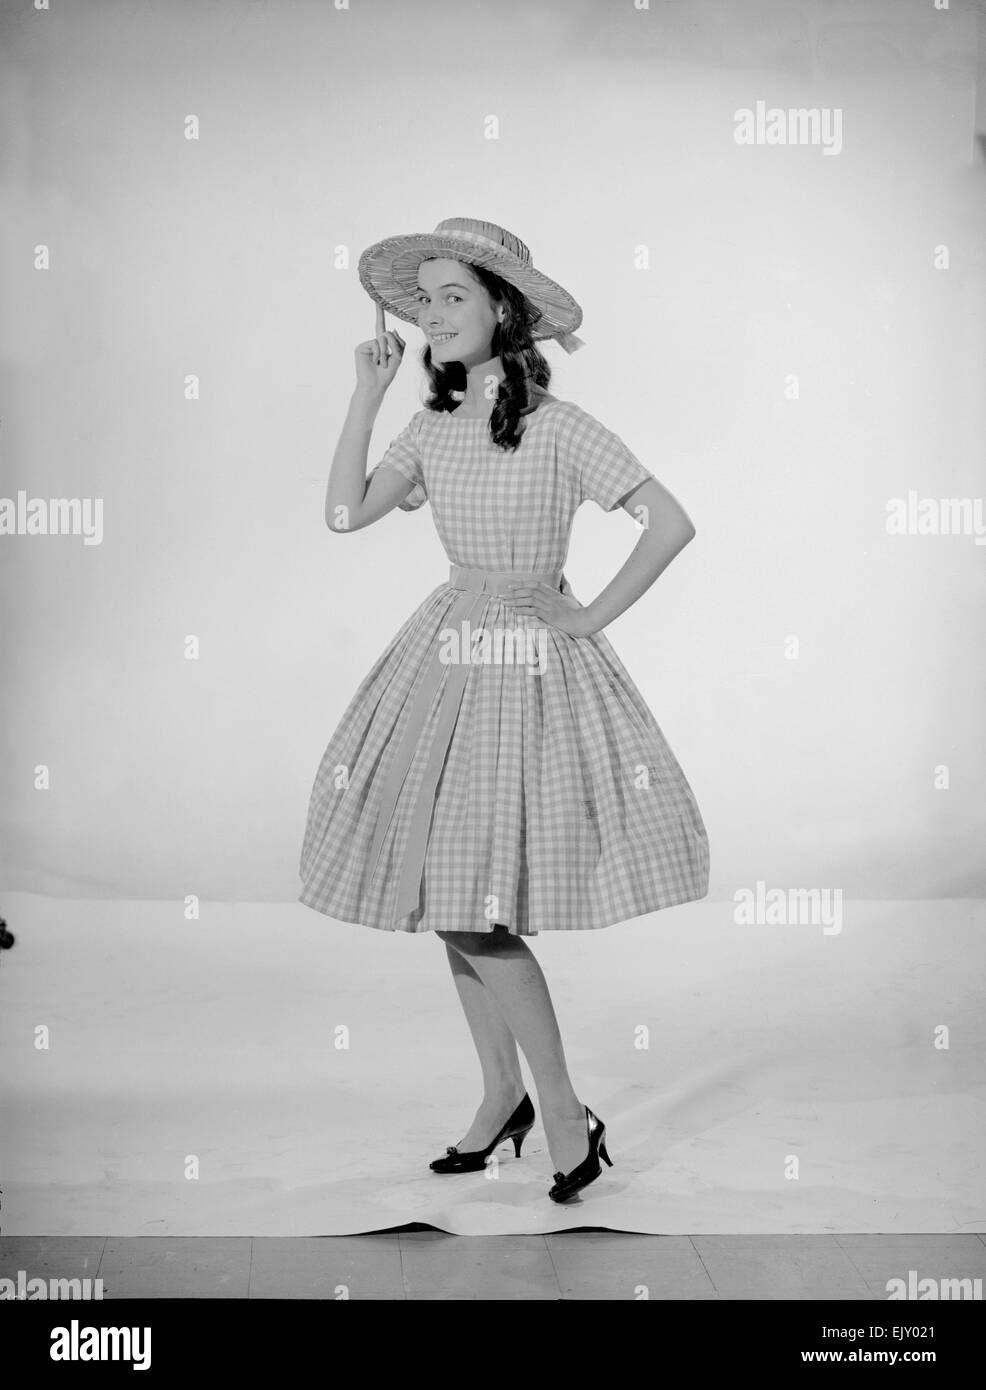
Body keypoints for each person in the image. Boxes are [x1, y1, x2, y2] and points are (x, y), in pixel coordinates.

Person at [300, 218, 710, 1202]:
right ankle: (502, 1100)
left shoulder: (560, 427)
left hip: (523, 665)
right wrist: (363, 392)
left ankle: (562, 1111)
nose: (433, 315)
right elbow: (344, 512)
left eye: (453, 296)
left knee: (479, 906)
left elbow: (670, 521)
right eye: (425, 298)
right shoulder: (430, 425)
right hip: (442, 654)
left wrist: (584, 616)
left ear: (501, 310)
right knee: (453, 905)